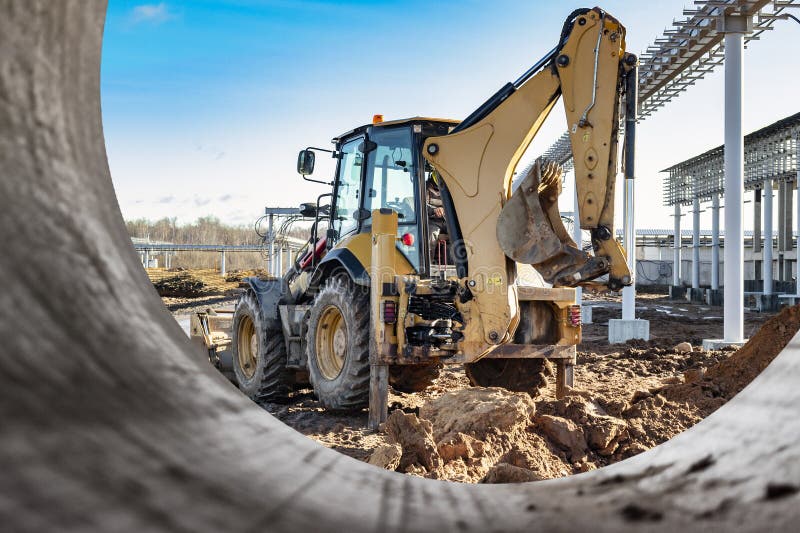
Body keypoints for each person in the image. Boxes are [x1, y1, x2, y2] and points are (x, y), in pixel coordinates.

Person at [426, 170, 447, 262]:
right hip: (433, 221)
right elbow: (421, 206)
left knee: (462, 233)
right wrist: (434, 210)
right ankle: (428, 264)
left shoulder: (450, 189)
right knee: (431, 235)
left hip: (448, 221)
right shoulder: (424, 188)